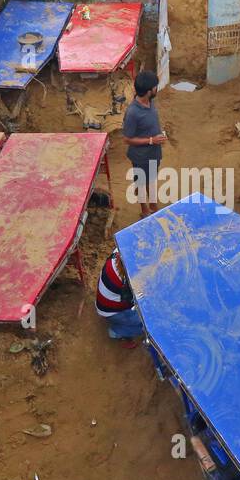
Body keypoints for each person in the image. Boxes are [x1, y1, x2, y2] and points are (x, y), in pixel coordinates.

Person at [121, 70, 165, 217]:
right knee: (142, 183)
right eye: (155, 87)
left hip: (154, 154)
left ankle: (153, 205)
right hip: (140, 157)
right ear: (148, 91)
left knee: (151, 180)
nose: (156, 89)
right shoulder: (133, 112)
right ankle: (145, 210)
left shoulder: (150, 102)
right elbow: (127, 138)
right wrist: (152, 140)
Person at [96, 248, 144, 343]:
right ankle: (116, 332)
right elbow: (138, 300)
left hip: (104, 298)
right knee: (145, 326)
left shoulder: (119, 250)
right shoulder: (127, 282)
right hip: (112, 311)